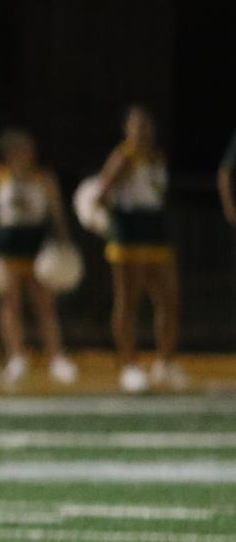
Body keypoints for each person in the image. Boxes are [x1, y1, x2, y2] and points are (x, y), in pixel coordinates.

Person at [96, 106, 182, 392]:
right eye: (137, 126)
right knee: (128, 301)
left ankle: (164, 362)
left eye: (147, 125)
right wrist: (108, 219)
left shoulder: (157, 157)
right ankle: (129, 366)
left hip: (155, 231)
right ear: (127, 130)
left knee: (168, 298)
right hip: (129, 234)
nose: (143, 131)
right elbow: (101, 195)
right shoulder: (123, 158)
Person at [0, 129, 75, 387]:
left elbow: (57, 214)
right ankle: (16, 357)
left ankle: (56, 358)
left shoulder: (44, 178)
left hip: (36, 246)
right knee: (10, 303)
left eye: (26, 149)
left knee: (44, 304)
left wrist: (65, 243)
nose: (21, 154)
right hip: (7, 244)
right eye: (17, 149)